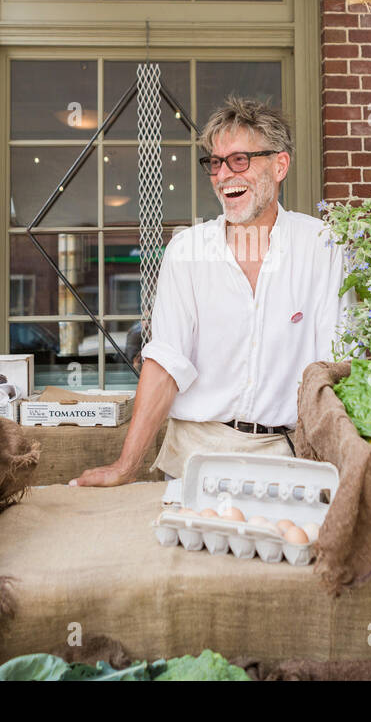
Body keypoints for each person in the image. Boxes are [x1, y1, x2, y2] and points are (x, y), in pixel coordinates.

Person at [71, 96, 353, 487]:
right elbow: (165, 363)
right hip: (197, 454)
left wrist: (345, 461)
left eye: (240, 160)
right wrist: (125, 466)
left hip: (289, 455)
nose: (224, 175)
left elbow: (337, 366)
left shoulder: (323, 246)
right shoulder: (186, 251)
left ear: (280, 165)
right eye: (216, 163)